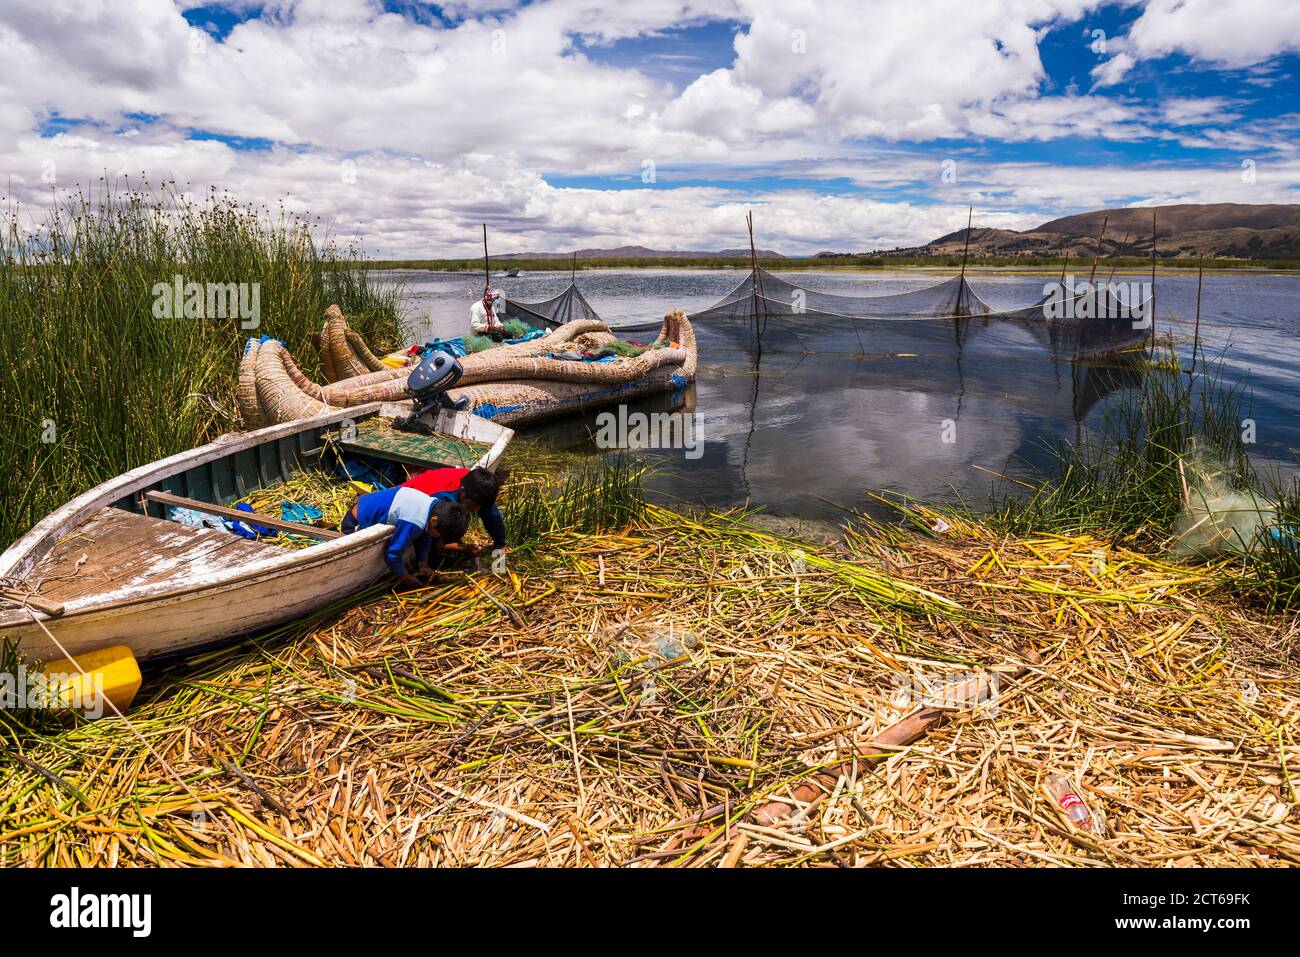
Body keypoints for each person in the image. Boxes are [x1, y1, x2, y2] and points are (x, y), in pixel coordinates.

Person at [342, 485, 470, 588]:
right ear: (434, 521)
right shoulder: (414, 521)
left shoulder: (432, 505)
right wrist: (405, 576)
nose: (435, 537)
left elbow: (425, 537)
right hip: (355, 524)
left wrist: (423, 564)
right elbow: (392, 554)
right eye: (437, 534)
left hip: (366, 504)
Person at [402, 465, 508, 557]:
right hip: (407, 499)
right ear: (462, 491)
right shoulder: (442, 499)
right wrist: (461, 548)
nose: (477, 510)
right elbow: (430, 533)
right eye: (475, 505)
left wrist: (500, 544)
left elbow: (492, 516)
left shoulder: (479, 488)